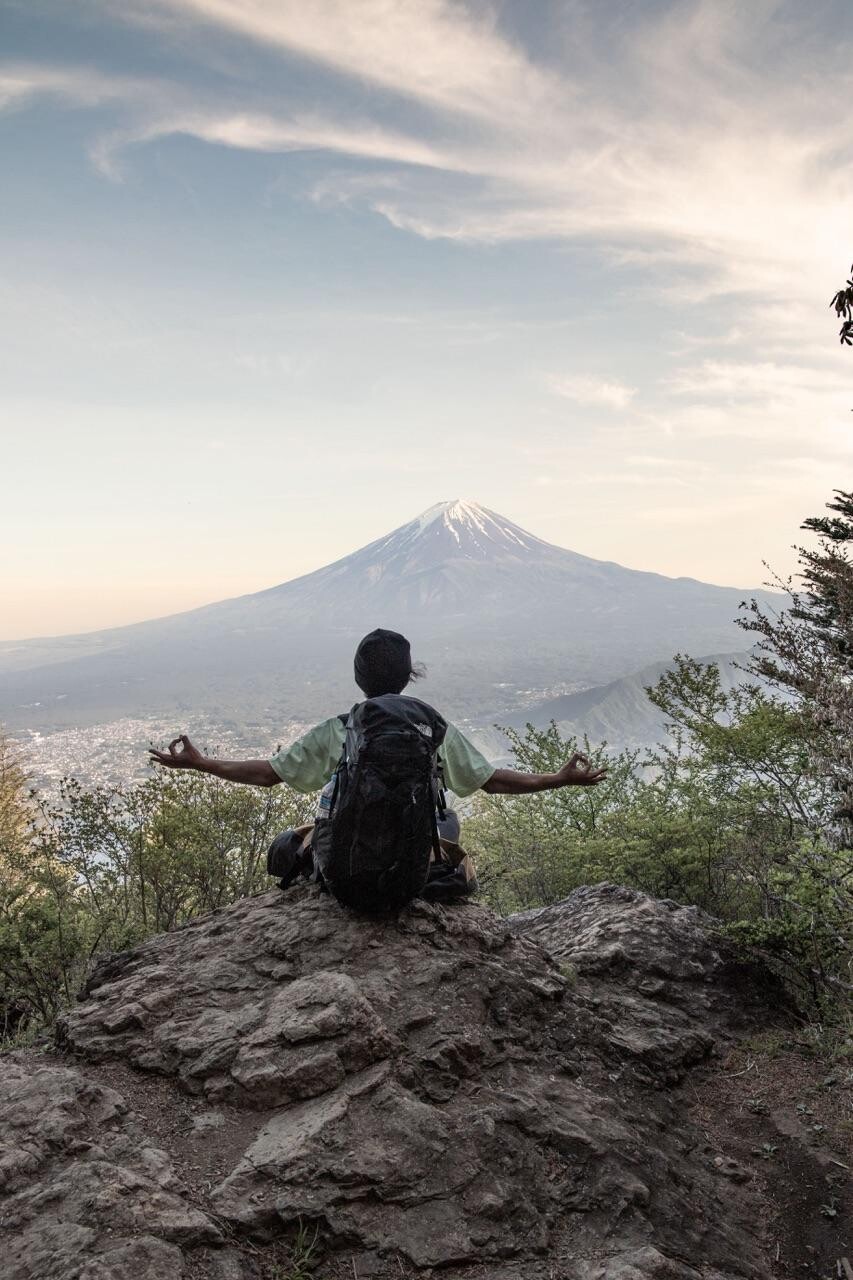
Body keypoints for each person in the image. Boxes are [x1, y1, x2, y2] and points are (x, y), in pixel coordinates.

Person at [149, 628, 607, 901]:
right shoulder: (432, 728)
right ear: (409, 677)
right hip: (409, 875)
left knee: (285, 845)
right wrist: (559, 779)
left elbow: (267, 775)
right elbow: (492, 782)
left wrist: (201, 763)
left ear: (359, 677)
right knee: (446, 820)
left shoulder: (341, 728)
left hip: (345, 874)